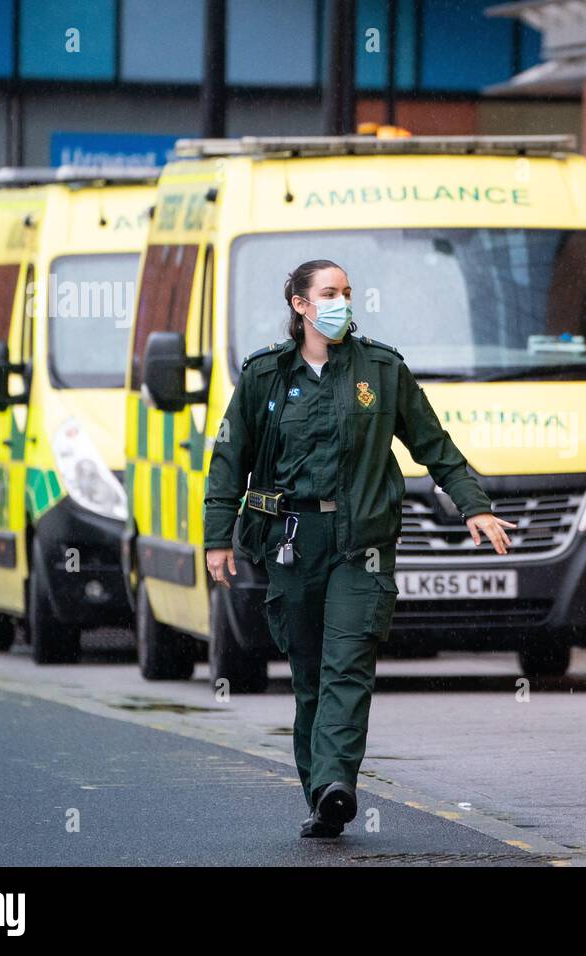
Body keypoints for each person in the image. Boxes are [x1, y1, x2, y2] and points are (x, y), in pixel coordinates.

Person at [202, 259, 515, 838]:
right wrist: (218, 537)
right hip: (293, 542)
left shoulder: (381, 369)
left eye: (346, 292)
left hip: (361, 544)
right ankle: (318, 790)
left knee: (348, 665)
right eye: (329, 293)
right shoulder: (265, 376)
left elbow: (434, 445)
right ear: (300, 305)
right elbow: (230, 459)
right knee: (309, 676)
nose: (342, 301)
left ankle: (335, 784)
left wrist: (475, 505)